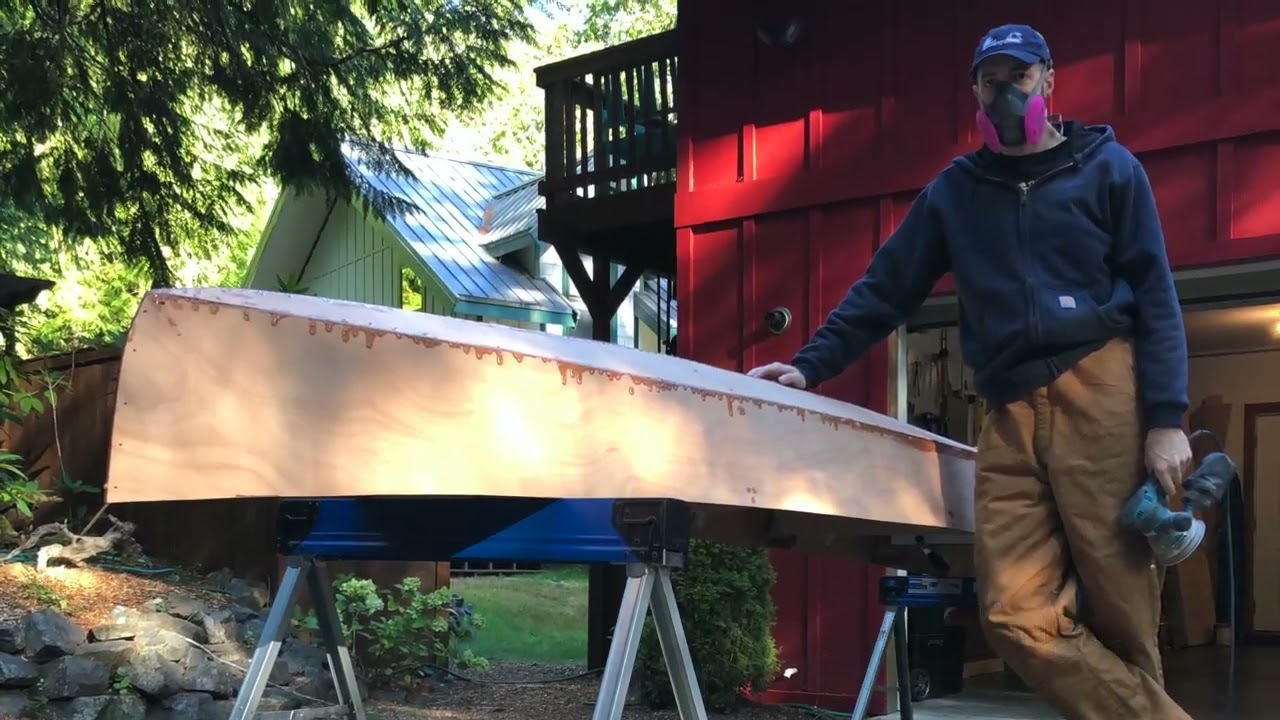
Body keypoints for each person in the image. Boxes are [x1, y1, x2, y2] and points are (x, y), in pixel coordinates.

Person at [747, 24, 1195, 720]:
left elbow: (1158, 298)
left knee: (1123, 610)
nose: (1007, 93)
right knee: (1014, 614)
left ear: (1049, 80)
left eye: (1020, 77)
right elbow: (883, 291)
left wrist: (1166, 418)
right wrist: (811, 366)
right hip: (1009, 410)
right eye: (992, 81)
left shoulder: (1110, 170)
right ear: (975, 93)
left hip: (1103, 388)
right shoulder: (955, 192)